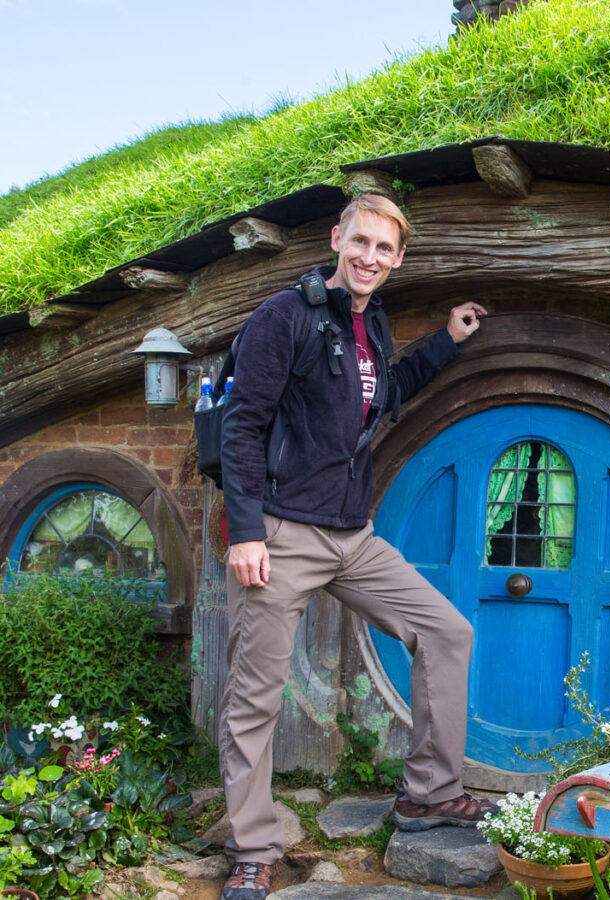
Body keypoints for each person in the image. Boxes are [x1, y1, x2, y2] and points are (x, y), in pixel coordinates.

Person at [217, 193, 493, 900]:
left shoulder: (372, 324)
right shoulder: (287, 316)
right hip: (281, 533)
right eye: (360, 241)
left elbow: (386, 390)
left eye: (385, 249)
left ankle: (428, 794)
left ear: (398, 260)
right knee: (255, 697)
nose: (370, 257)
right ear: (338, 237)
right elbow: (241, 427)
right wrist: (245, 531)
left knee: (446, 631)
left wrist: (447, 340)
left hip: (352, 535)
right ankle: (252, 845)